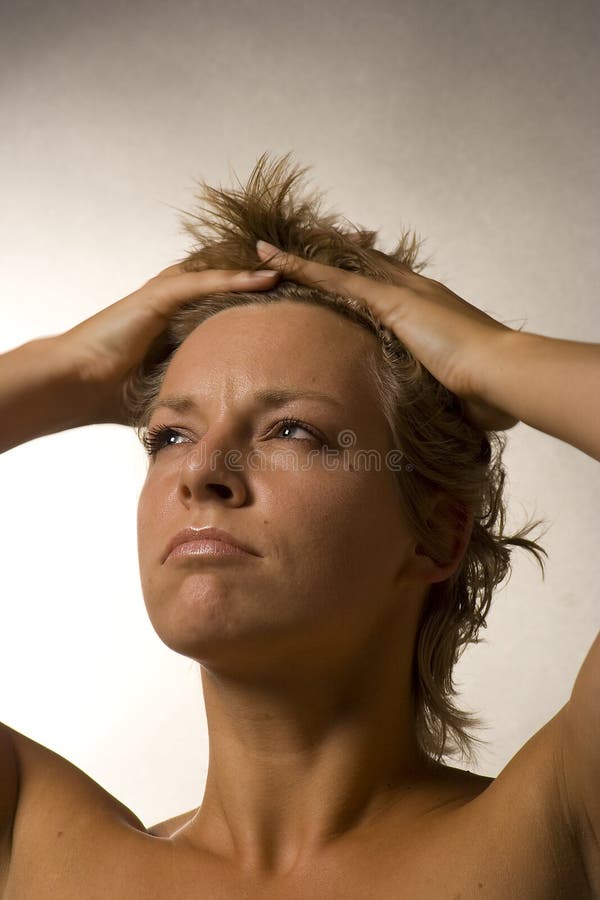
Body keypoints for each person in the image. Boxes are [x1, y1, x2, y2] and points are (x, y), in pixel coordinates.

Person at [1, 152, 598, 897]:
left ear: (436, 533)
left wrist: (493, 357)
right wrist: (70, 363)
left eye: (292, 432)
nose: (200, 470)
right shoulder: (30, 844)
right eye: (170, 436)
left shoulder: (561, 824)